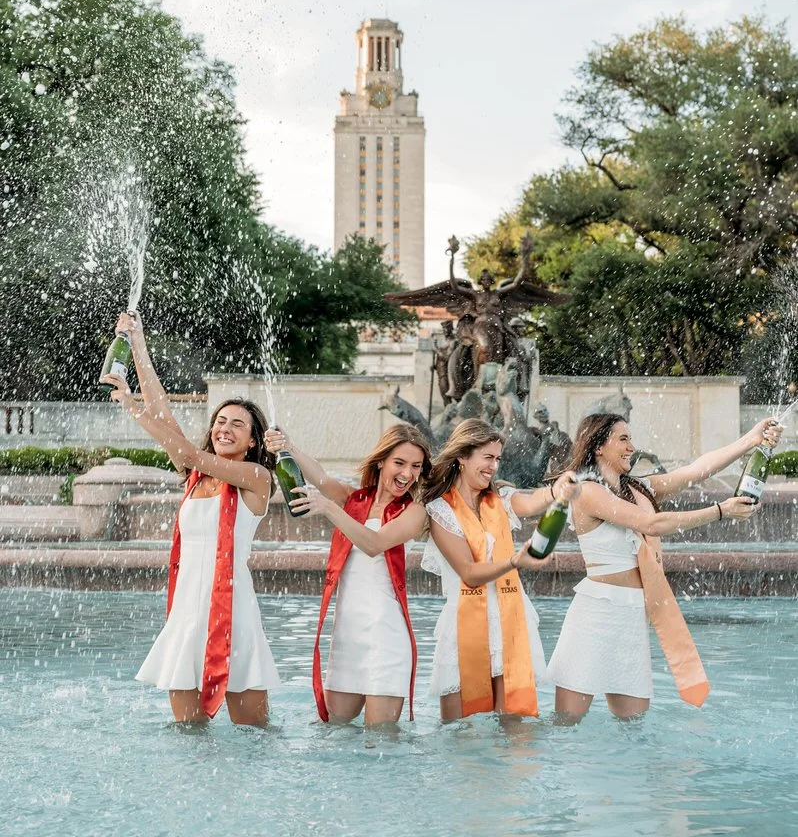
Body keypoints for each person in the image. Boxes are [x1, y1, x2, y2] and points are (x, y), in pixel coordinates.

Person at [102, 311, 279, 726]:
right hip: (187, 608)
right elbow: (163, 411)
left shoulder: (256, 478)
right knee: (188, 735)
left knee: (255, 735)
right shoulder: (196, 476)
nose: (225, 428)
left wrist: (129, 405)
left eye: (238, 425)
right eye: (220, 421)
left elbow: (182, 451)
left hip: (233, 609)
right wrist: (138, 342)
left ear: (253, 439)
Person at [547, 413, 781, 723]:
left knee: (634, 727)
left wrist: (750, 440)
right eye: (623, 439)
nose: (632, 446)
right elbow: (652, 523)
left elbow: (696, 471)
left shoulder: (639, 488)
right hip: (595, 615)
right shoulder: (586, 491)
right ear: (599, 446)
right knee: (566, 725)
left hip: (632, 614)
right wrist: (720, 511)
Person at [265, 423, 431, 728]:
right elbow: (321, 477)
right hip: (347, 635)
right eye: (400, 463)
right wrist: (288, 446)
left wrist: (329, 508)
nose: (408, 473)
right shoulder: (353, 500)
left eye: (416, 466)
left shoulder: (414, 512)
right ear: (381, 462)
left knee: (380, 739)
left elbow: (374, 543)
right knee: (333, 729)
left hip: (386, 636)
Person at [421, 418, 579, 722]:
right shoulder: (440, 510)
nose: (494, 466)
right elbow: (468, 571)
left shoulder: (500, 500)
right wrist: (514, 563)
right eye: (487, 457)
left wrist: (556, 491)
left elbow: (531, 502)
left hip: (510, 618)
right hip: (465, 622)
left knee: (514, 726)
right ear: (462, 458)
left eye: (498, 458)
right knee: (460, 732)